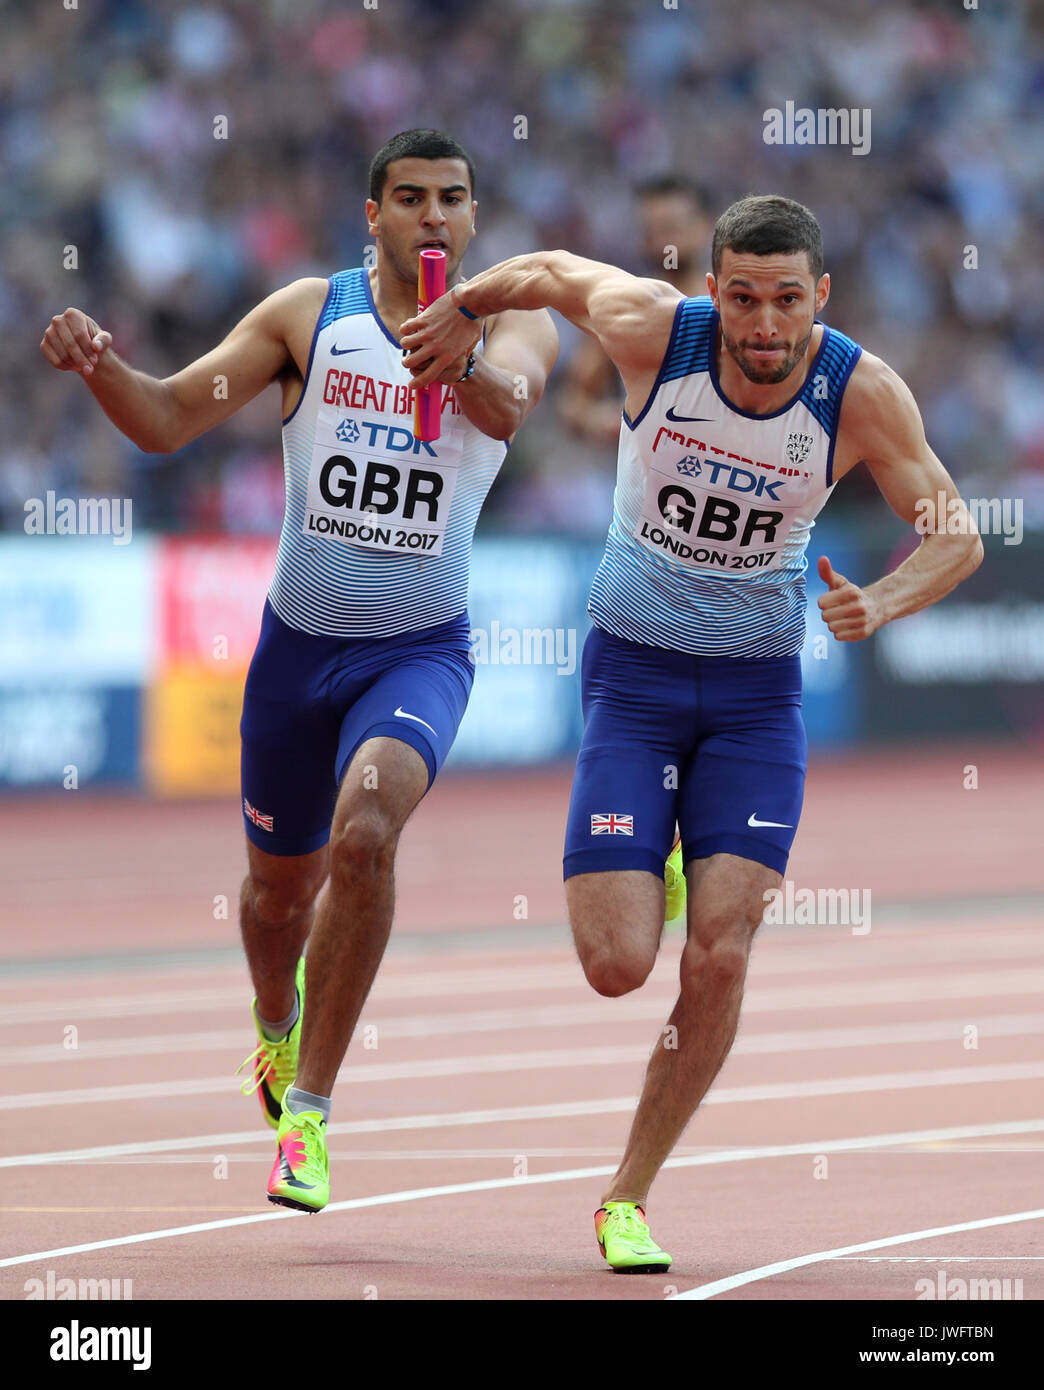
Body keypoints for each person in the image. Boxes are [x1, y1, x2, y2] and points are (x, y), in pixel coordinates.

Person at [401, 193, 983, 1272]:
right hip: (636, 678)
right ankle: (655, 859)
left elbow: (956, 533)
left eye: (789, 303)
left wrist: (886, 603)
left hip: (758, 698)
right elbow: (555, 270)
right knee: (618, 964)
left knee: (718, 953)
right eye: (747, 299)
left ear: (823, 300)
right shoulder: (654, 330)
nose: (766, 327)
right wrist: (465, 307)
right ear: (715, 290)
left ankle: (627, 1195)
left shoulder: (861, 393)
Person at [40, 128, 558, 1214]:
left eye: (451, 200)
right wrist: (101, 367)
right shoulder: (306, 318)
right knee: (277, 902)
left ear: (472, 220)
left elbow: (512, 405)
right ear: (371, 214)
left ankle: (309, 1118)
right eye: (408, 197)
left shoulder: (512, 316)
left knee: (367, 831)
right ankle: (276, 1029)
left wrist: (453, 351)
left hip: (419, 653)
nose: (431, 215)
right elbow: (170, 416)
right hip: (296, 656)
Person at [557, 175, 711, 447]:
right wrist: (598, 419)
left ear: (704, 226)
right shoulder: (624, 304)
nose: (665, 242)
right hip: (641, 476)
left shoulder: (732, 307)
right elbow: (573, 399)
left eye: (671, 227)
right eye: (653, 231)